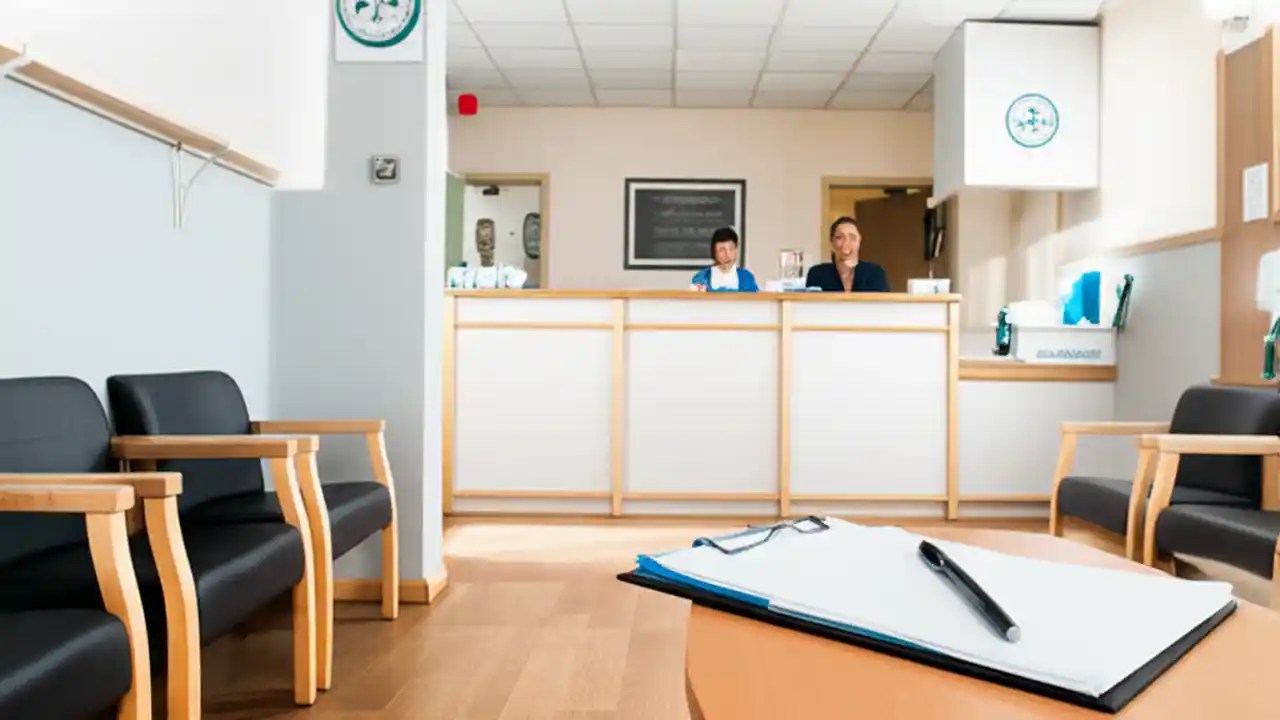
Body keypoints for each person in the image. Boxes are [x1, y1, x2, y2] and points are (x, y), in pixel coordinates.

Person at [805, 217, 890, 292]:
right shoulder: (817, 273)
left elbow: (882, 306)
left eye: (852, 237)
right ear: (832, 243)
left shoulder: (875, 273)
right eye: (839, 237)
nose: (846, 243)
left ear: (859, 242)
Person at [690, 227, 759, 292]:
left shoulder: (746, 277)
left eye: (731, 249)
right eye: (722, 250)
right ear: (714, 252)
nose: (727, 254)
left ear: (736, 249)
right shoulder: (702, 278)